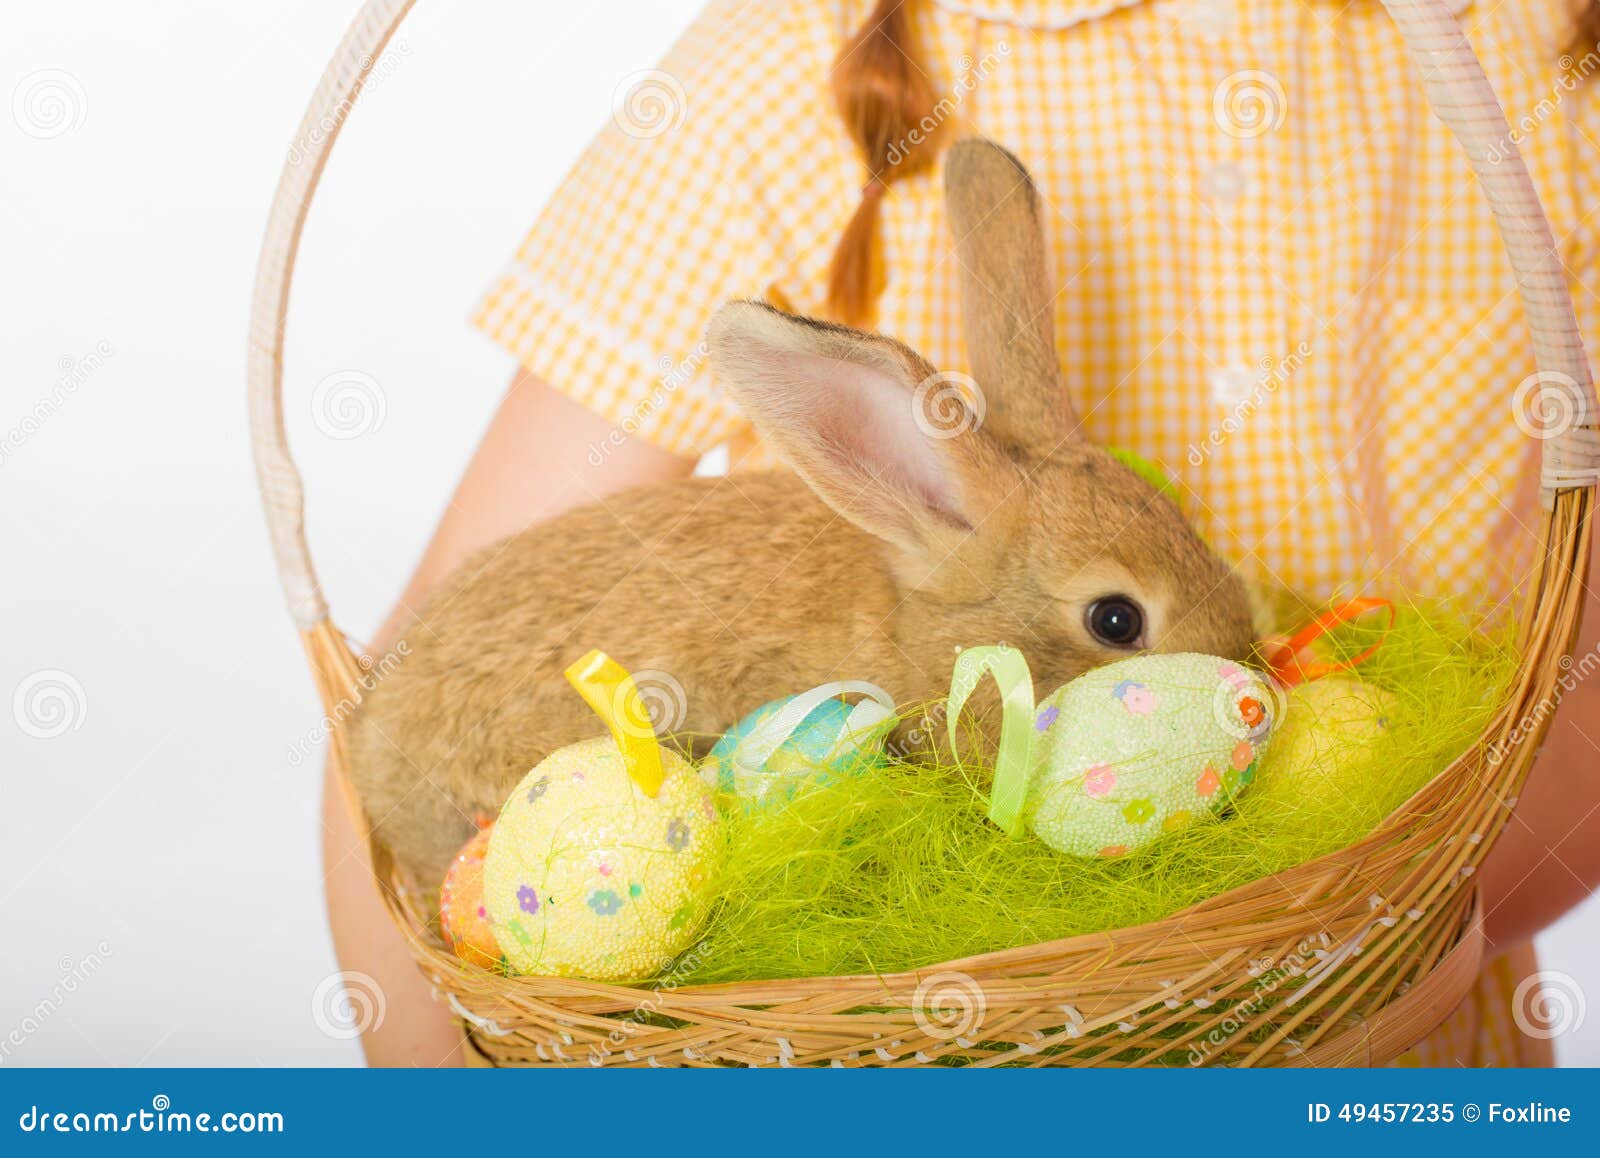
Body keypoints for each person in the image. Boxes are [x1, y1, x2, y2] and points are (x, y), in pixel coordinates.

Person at [323, 0, 1600, 1065]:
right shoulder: (787, 72)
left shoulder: (1544, 62)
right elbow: (407, 736)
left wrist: (1292, 936)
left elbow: (1571, 756)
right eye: (1115, 626)